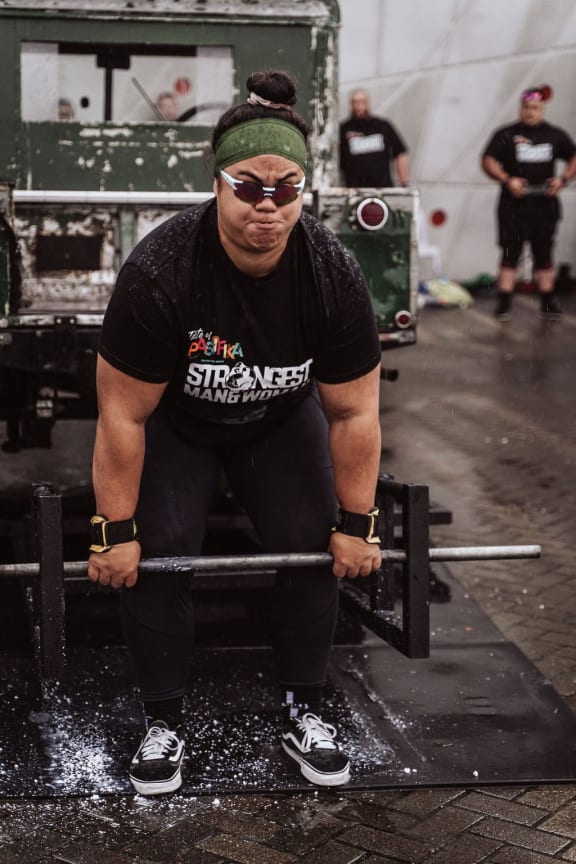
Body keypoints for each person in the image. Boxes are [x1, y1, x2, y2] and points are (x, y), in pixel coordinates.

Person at [87, 69, 383, 795]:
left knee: (316, 548)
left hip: (277, 422)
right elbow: (122, 414)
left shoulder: (332, 274)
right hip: (178, 426)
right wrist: (111, 533)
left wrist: (359, 525)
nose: (268, 206)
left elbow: (354, 412)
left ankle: (304, 708)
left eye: (286, 188)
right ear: (218, 182)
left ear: (304, 191)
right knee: (160, 559)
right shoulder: (162, 270)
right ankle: (163, 721)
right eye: (249, 185)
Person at [481, 85, 576, 321]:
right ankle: (504, 301)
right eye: (527, 108)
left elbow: (574, 156)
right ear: (521, 109)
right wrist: (507, 180)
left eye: (535, 108)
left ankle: (548, 300)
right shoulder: (506, 134)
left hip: (544, 205)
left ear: (542, 109)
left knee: (544, 253)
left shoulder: (555, 135)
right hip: (514, 206)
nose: (530, 112)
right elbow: (488, 160)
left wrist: (563, 179)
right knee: (510, 253)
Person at [339, 88, 409, 187]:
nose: (359, 106)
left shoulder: (383, 126)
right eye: (355, 102)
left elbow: (400, 153)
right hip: (354, 190)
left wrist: (404, 182)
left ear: (367, 103)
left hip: (383, 188)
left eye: (362, 102)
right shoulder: (343, 129)